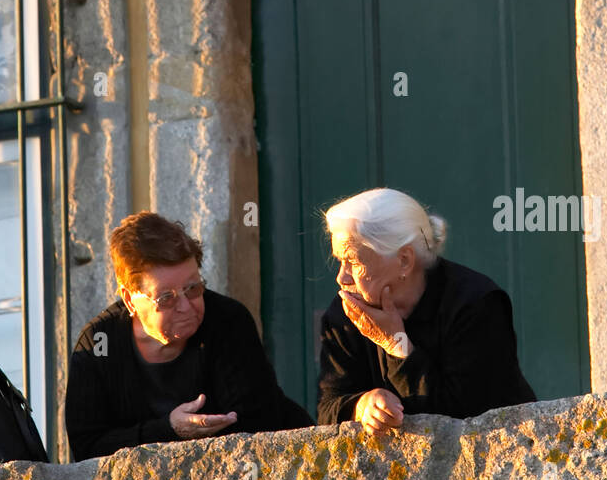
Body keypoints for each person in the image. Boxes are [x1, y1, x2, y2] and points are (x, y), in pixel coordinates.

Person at [66, 210, 311, 459]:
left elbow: (258, 424)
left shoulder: (228, 320)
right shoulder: (99, 344)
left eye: (193, 288)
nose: (186, 306)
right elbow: (87, 447)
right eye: (167, 297)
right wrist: (168, 429)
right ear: (130, 299)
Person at [317, 187, 536, 435]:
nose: (341, 277)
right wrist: (361, 406)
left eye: (353, 261)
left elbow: (468, 416)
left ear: (404, 261)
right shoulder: (344, 315)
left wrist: (396, 345)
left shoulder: (475, 304)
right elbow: (327, 409)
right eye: (339, 261)